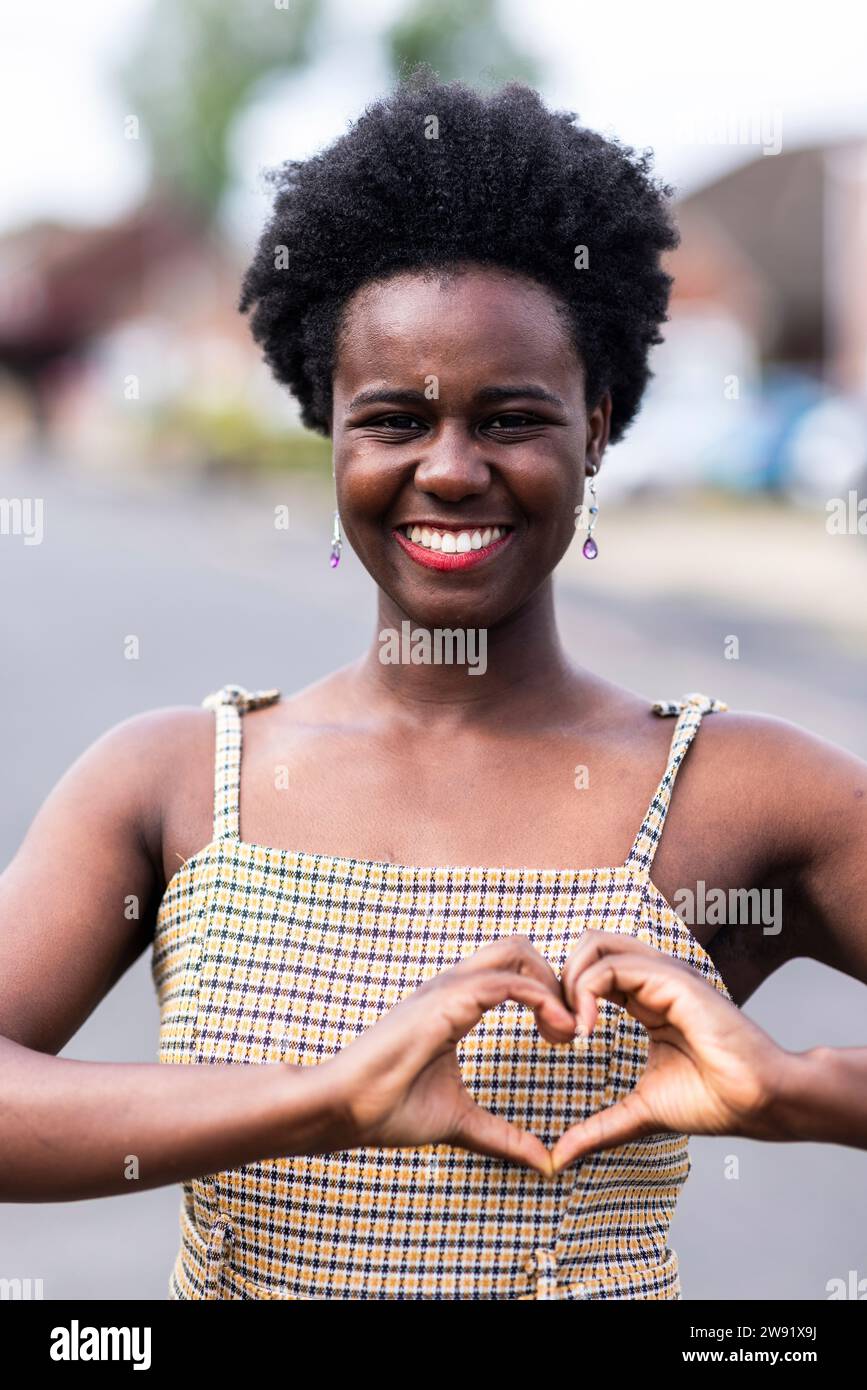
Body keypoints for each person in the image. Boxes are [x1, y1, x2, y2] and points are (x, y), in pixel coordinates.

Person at [2, 72, 865, 1301]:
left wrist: (799, 1089)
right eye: (395, 418)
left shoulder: (743, 792)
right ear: (331, 431)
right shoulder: (173, 779)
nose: (450, 469)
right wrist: (322, 1098)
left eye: (511, 417)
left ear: (598, 426)